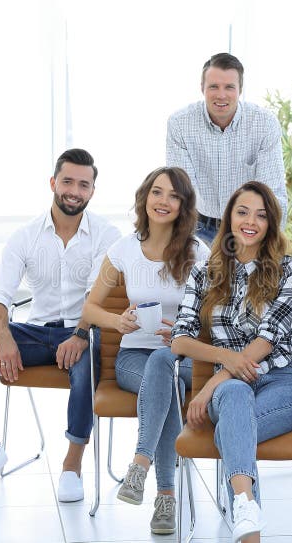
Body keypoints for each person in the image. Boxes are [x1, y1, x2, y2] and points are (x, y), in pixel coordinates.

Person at [0, 148, 120, 504]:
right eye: (67, 181)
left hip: (82, 331)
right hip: (34, 333)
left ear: (92, 191)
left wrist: (80, 335)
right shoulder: (25, 236)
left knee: (89, 353)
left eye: (84, 184)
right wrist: (3, 336)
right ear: (53, 183)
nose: (74, 191)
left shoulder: (106, 236)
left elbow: (98, 298)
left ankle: (72, 464)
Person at [171, 181, 292, 543]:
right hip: (232, 385)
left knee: (232, 428)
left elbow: (268, 339)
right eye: (242, 212)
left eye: (261, 215)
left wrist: (206, 389)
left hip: (287, 382)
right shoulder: (204, 274)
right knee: (235, 399)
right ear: (228, 218)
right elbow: (179, 339)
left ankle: (242, 510)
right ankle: (247, 513)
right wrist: (225, 359)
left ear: (271, 224)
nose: (251, 221)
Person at [82, 167, 209, 535]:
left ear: (183, 205)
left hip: (184, 358)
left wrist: (185, 330)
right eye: (157, 192)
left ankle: (140, 465)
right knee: (162, 375)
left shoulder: (198, 253)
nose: (163, 201)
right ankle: (166, 498)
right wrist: (115, 322)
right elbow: (90, 309)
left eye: (173, 195)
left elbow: (217, 316)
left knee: (167, 369)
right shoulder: (123, 249)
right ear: (145, 197)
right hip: (133, 357)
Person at [166, 53, 287, 244]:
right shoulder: (180, 124)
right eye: (213, 86)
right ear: (202, 88)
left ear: (240, 89)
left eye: (229, 87)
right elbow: (182, 190)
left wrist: (270, 245)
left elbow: (272, 193)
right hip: (198, 227)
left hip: (248, 228)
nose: (221, 95)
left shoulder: (264, 123)